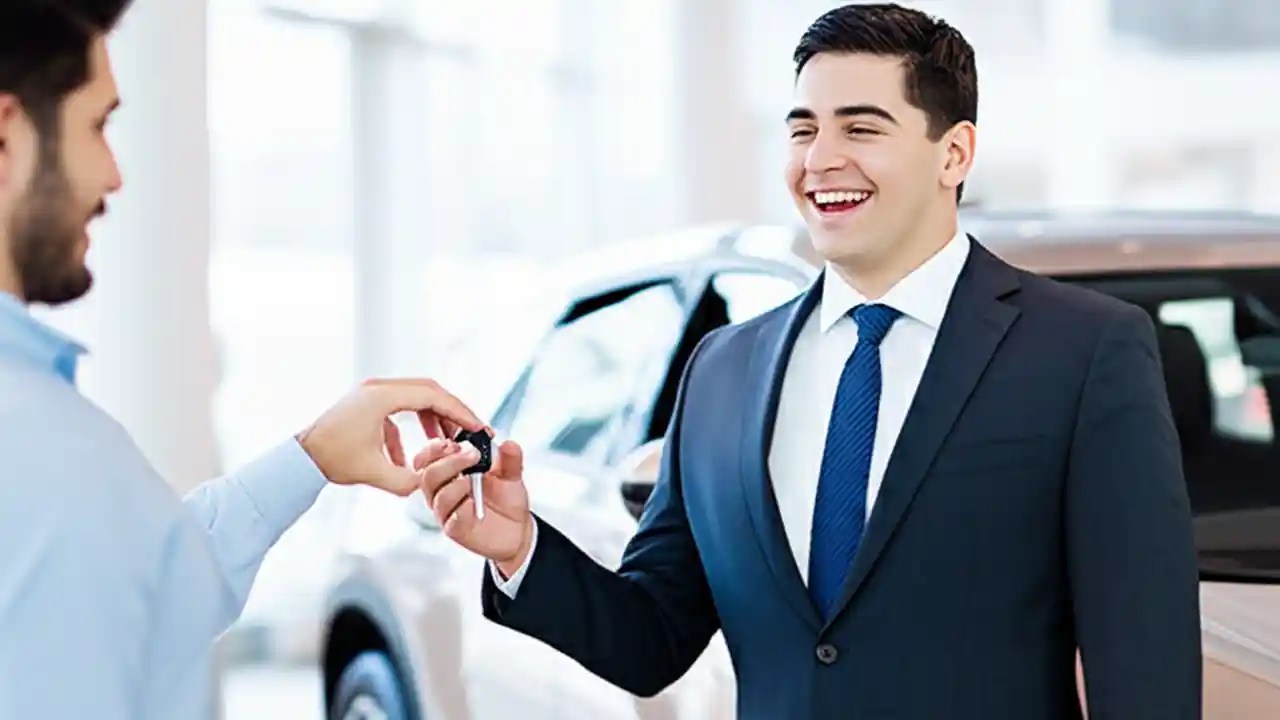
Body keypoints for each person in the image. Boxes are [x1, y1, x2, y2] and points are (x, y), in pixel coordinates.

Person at [416, 3, 1202, 719]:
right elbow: (652, 639)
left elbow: (1145, 667)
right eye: (802, 129)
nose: (820, 159)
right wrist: (522, 549)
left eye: (861, 129)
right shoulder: (723, 370)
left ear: (953, 153)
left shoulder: (1084, 350)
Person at [0, 2, 486, 718]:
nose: (115, 176)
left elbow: (147, 583)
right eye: (98, 126)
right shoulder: (49, 455)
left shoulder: (53, 462)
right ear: (8, 133)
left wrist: (314, 456)